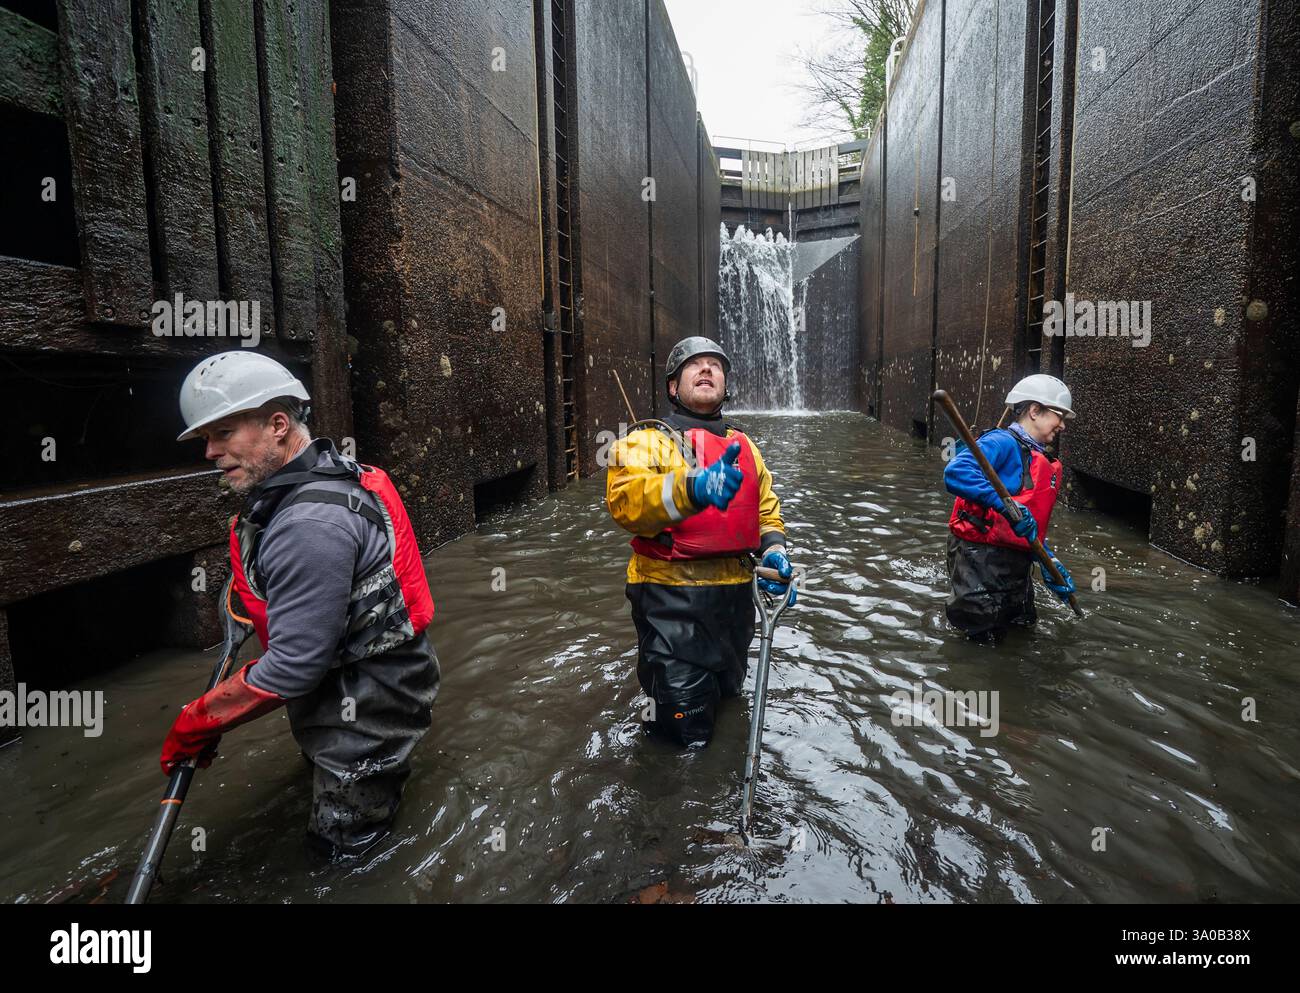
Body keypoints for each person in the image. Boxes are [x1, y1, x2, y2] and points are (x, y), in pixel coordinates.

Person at [161, 351, 440, 856]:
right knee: (322, 774)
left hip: (369, 697)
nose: (210, 452)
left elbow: (292, 668)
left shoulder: (309, 524)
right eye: (206, 438)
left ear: (278, 424)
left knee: (342, 852)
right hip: (364, 673)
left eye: (223, 433)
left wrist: (198, 720)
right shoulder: (335, 472)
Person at [606, 337, 793, 747]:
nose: (707, 370)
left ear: (726, 385)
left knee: (728, 709)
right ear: (674, 387)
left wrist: (775, 550)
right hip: (671, 606)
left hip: (735, 610)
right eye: (695, 365)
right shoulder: (645, 442)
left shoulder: (746, 448)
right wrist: (691, 488)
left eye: (715, 365)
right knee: (684, 739)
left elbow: (766, 511)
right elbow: (626, 502)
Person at [944, 374, 1077, 642]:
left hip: (1015, 567)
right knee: (982, 636)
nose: (1062, 425)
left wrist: (1049, 561)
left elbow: (1027, 524)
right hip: (980, 559)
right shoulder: (1000, 443)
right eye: (1058, 416)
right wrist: (1005, 506)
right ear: (1034, 411)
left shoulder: (1042, 459)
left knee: (1022, 629)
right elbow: (956, 472)